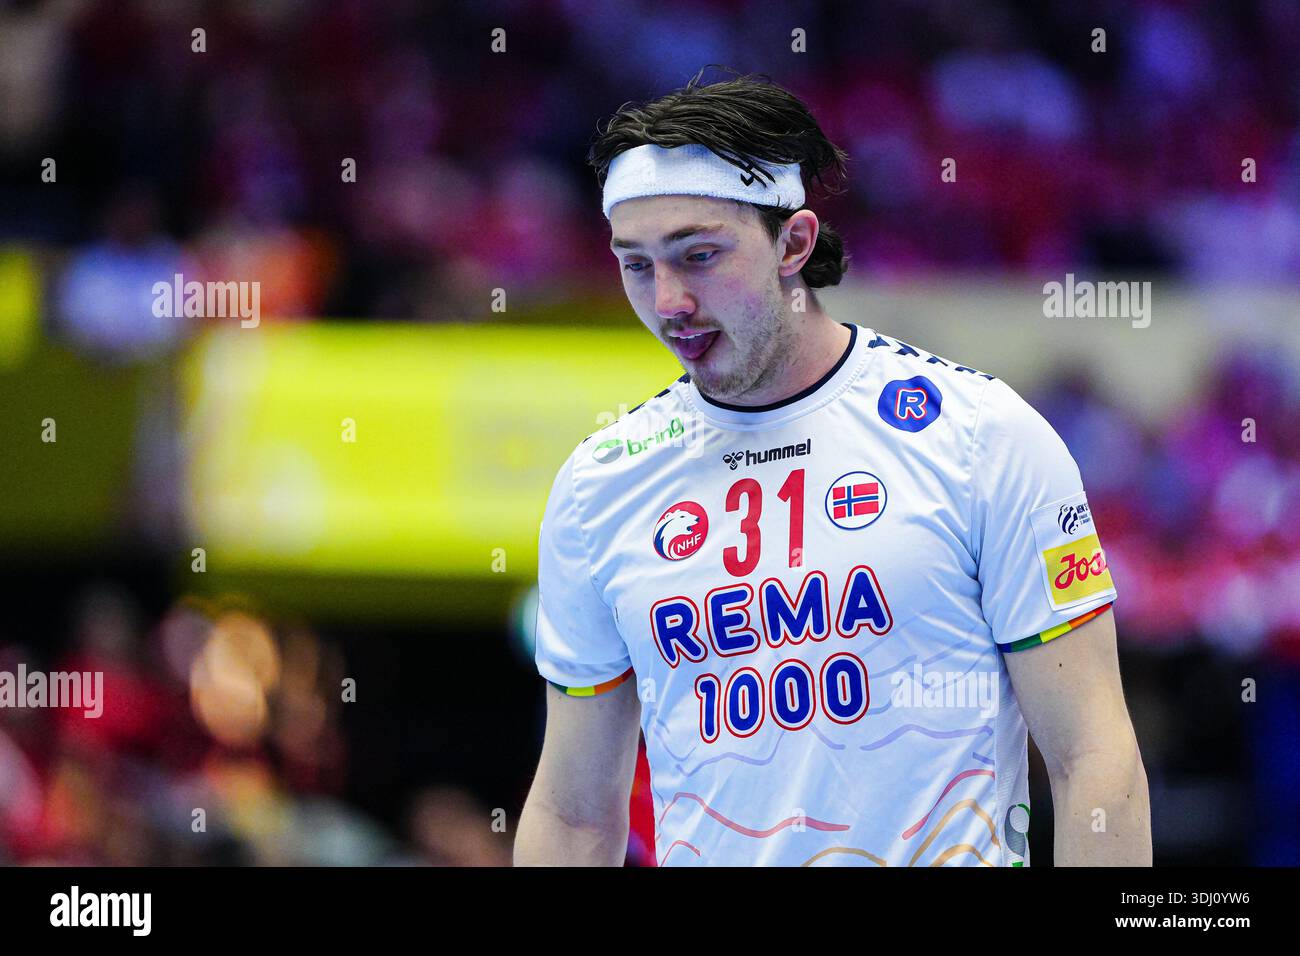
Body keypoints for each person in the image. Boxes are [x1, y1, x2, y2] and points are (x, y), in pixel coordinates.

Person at [515, 69, 1150, 867]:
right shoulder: (598, 485)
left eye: (699, 255)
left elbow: (1095, 758)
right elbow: (573, 815)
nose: (668, 299)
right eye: (636, 265)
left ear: (795, 243)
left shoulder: (981, 436)